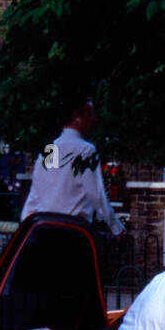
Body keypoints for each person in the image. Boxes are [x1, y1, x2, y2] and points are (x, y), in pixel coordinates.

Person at [20, 97, 126, 236]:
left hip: (43, 230)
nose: (94, 120)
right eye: (90, 115)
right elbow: (96, 195)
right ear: (77, 117)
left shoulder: (49, 150)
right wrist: (118, 229)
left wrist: (25, 228)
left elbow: (35, 196)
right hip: (71, 232)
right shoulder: (86, 150)